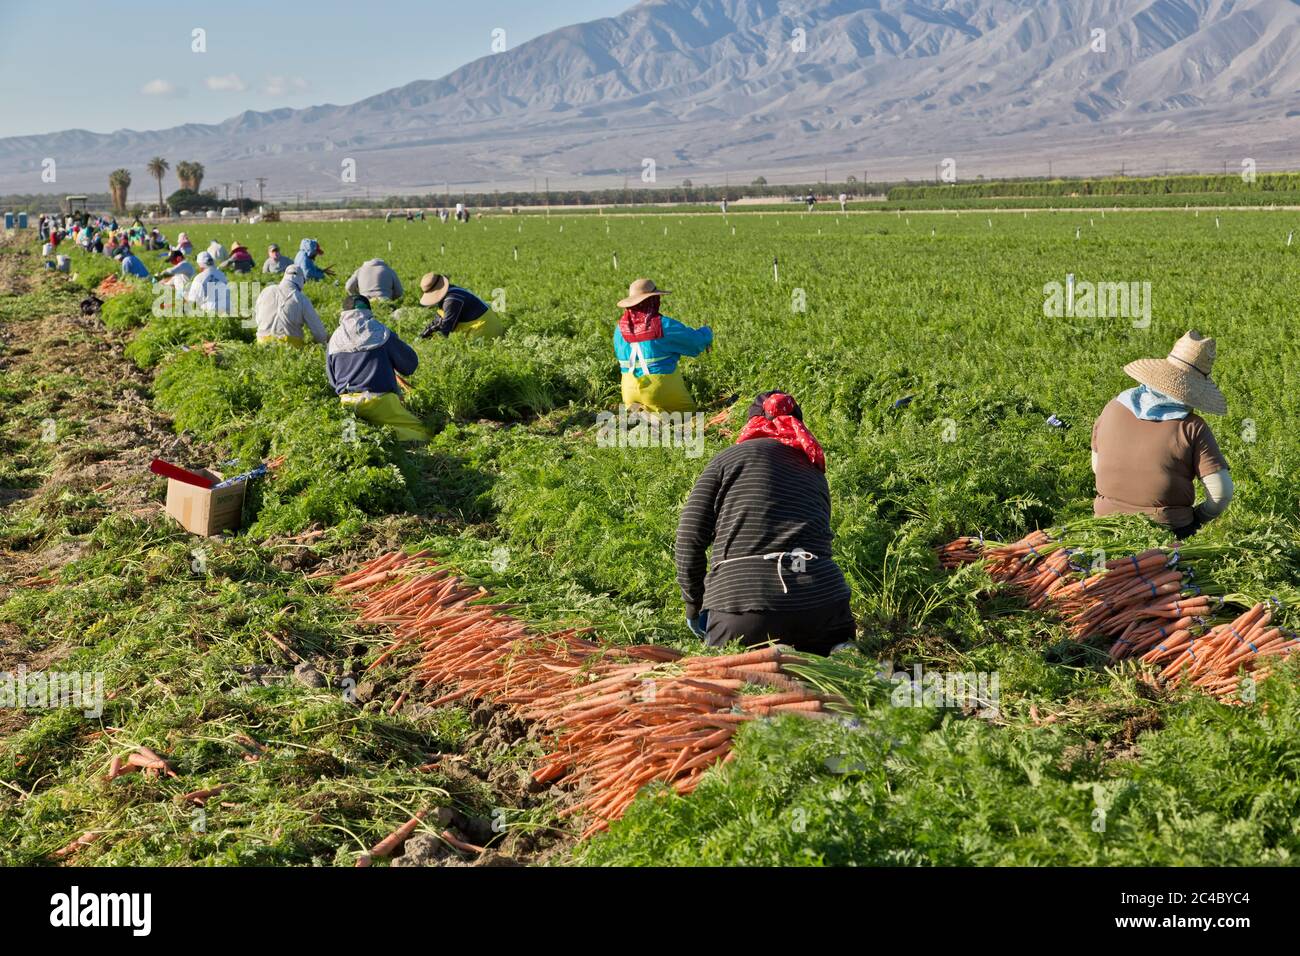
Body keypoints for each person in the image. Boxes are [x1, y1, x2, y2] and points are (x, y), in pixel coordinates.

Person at [675, 391, 854, 654]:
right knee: (831, 687)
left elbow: (689, 536)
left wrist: (694, 604)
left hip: (743, 610)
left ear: (752, 423)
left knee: (737, 690)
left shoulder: (727, 460)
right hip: (826, 608)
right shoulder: (814, 470)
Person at [1092, 331, 1232, 538]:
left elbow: (1097, 466)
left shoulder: (1113, 407)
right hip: (1166, 530)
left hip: (1104, 524)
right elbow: (1221, 493)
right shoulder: (1192, 427)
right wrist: (1199, 517)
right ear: (1195, 392)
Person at [326, 294, 429, 442]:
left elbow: (333, 381)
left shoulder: (334, 339)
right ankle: (384, 438)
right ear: (368, 310)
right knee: (423, 432)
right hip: (380, 402)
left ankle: (361, 435)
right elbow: (409, 366)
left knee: (350, 439)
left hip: (347, 404)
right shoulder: (381, 332)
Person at [612, 278, 711, 413]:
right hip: (659, 388)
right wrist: (706, 333)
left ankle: (645, 416)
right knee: (689, 415)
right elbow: (694, 344)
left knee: (646, 416)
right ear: (653, 300)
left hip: (629, 390)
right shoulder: (663, 325)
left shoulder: (619, 329)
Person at [254, 264, 327, 346]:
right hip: (289, 345)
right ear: (301, 280)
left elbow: (257, 318)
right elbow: (319, 332)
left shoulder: (266, 291)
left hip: (262, 343)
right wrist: (323, 343)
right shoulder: (301, 298)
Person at [417, 273, 503, 339]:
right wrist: (424, 335)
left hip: (485, 329)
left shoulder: (452, 300)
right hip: (487, 323)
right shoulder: (451, 292)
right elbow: (438, 319)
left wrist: (435, 343)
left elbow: (447, 328)